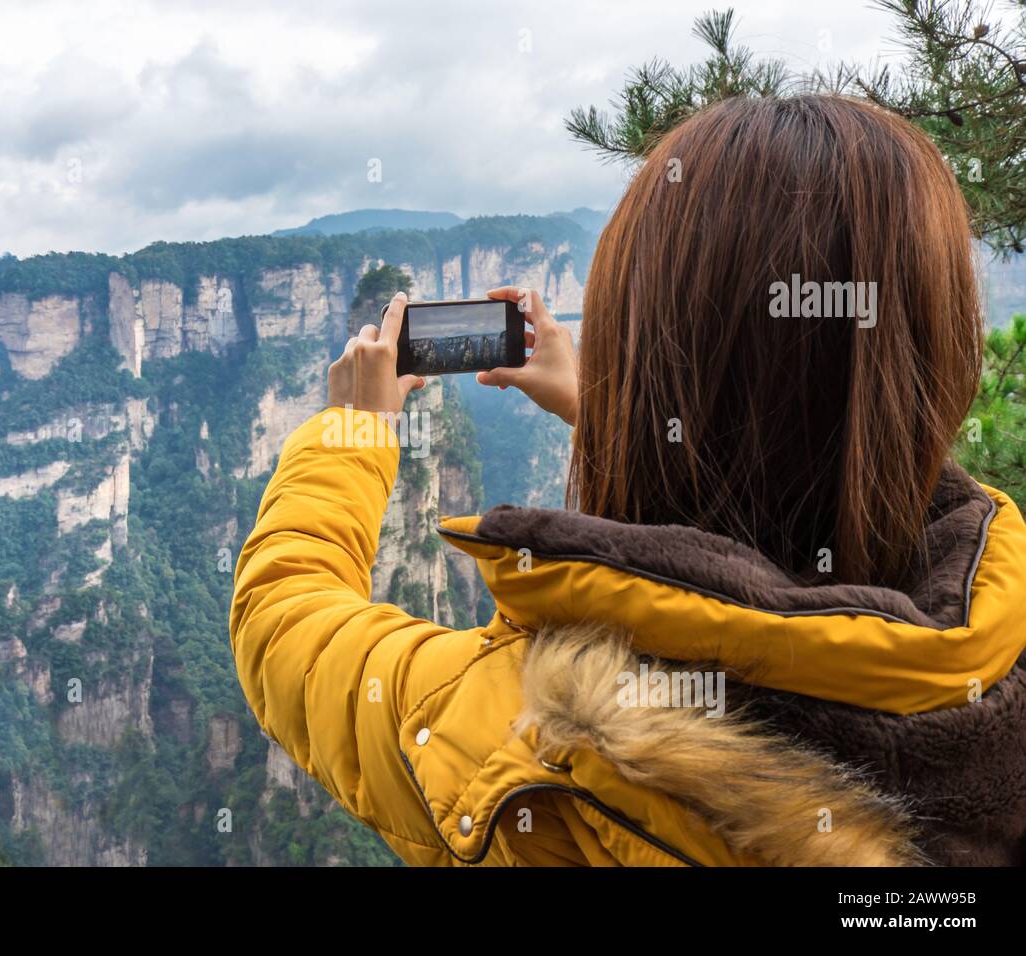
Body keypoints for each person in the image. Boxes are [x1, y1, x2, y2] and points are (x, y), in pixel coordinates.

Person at [229, 95, 1026, 866]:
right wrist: (607, 410)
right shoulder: (991, 666)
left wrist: (354, 427)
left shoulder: (531, 734)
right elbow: (796, 465)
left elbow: (284, 616)